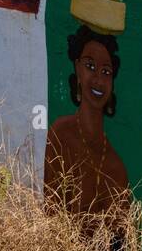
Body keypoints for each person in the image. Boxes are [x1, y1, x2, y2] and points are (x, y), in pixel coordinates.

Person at [45, 24, 131, 217]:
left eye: (106, 72)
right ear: (77, 68)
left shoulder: (116, 168)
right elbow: (51, 210)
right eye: (90, 66)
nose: (98, 80)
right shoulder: (61, 135)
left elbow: (120, 239)